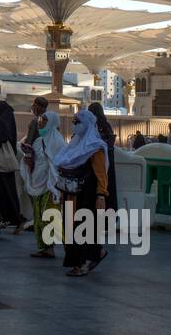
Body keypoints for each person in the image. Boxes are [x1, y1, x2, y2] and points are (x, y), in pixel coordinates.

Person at [54, 109, 110, 277]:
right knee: (71, 228)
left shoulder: (95, 147)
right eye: (74, 122)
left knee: (84, 229)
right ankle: (84, 258)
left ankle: (85, 262)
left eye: (77, 122)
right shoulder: (75, 144)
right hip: (72, 194)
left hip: (88, 195)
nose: (74, 125)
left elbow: (101, 173)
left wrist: (101, 194)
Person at [23, 109, 66, 258]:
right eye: (41, 122)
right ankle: (44, 247)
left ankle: (51, 247)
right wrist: (29, 161)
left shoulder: (58, 141)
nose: (41, 124)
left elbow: (59, 164)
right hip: (38, 181)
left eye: (44, 122)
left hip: (50, 184)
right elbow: (36, 161)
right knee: (38, 215)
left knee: (48, 215)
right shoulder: (38, 141)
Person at [0, 100, 22, 230]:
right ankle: (12, 219)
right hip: (7, 161)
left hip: (0, 162)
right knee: (9, 191)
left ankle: (8, 218)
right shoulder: (9, 119)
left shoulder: (1, 122)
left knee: (1, 192)